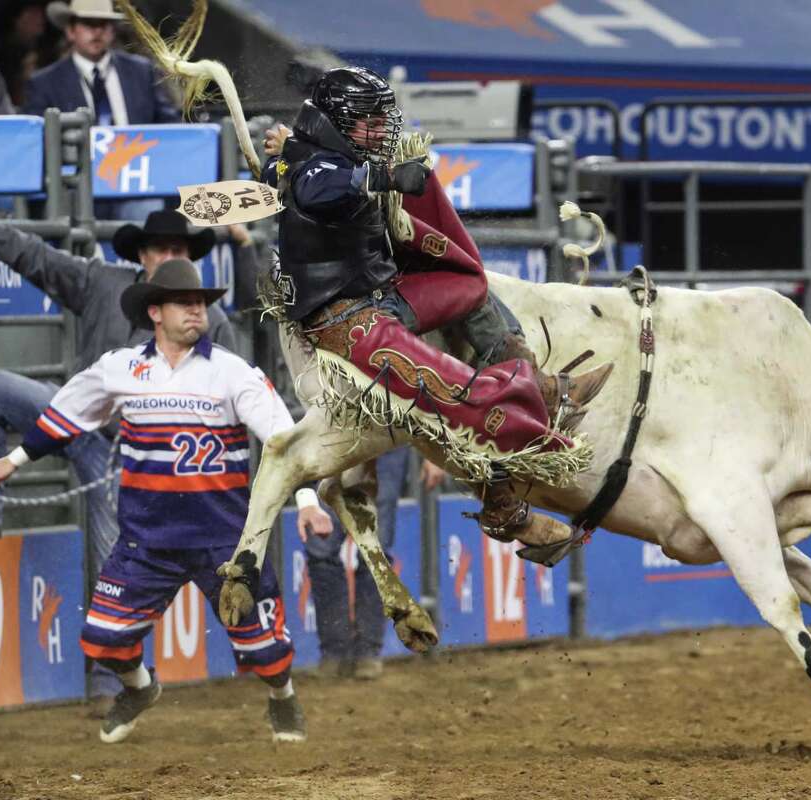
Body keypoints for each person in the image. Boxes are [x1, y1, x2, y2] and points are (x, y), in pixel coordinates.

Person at [259, 66, 610, 547]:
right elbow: (319, 187)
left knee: (465, 284)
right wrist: (376, 175)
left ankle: (538, 385)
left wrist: (293, 154)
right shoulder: (317, 169)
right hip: (348, 313)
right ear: (339, 122)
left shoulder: (311, 156)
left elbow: (301, 173)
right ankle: (504, 504)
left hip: (381, 290)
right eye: (369, 120)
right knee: (450, 391)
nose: (381, 130)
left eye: (383, 119)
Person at [0, 259, 316, 744]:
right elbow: (69, 410)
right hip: (146, 540)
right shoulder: (122, 369)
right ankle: (140, 688)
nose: (197, 310)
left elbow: (282, 436)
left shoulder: (231, 371)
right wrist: (15, 457)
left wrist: (306, 499)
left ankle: (283, 698)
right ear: (155, 312)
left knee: (265, 652)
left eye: (201, 302)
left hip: (225, 540)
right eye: (185, 303)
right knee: (103, 639)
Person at [0, 207, 253, 708]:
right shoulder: (103, 281)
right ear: (143, 257)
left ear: (188, 259)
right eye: (161, 250)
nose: (169, 257)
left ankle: (110, 686)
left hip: (138, 464)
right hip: (79, 422)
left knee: (115, 560)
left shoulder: (209, 323)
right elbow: (41, 260)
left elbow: (235, 399)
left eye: (178, 250)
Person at [299, 449, 421, 679]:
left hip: (383, 443)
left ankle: (366, 651)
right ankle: (336, 651)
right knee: (322, 552)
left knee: (375, 553)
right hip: (330, 441)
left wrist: (434, 455)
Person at [22, 0, 178, 125]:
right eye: (88, 23)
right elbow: (35, 137)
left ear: (112, 31)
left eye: (103, 23)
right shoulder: (46, 83)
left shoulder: (142, 72)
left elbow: (169, 124)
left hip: (137, 161)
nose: (97, 31)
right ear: (70, 31)